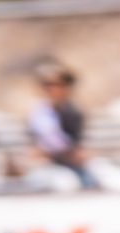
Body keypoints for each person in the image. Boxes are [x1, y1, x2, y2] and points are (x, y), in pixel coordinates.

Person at [26, 61, 98, 189]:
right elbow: (36, 150)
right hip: (47, 167)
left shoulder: (73, 113)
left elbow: (76, 148)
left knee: (94, 177)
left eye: (60, 85)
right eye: (48, 85)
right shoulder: (40, 113)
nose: (54, 89)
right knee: (65, 183)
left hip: (70, 165)